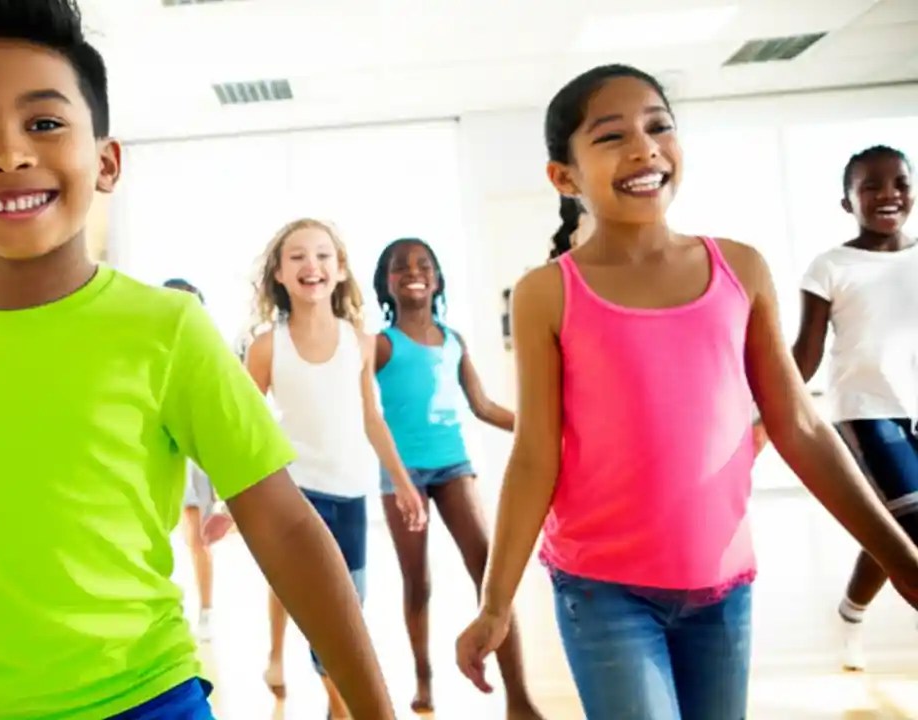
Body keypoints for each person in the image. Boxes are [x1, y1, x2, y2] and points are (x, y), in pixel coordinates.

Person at [0, 1, 396, 718]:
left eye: (44, 123)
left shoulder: (167, 327)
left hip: (143, 697)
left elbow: (284, 526)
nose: (8, 153)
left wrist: (374, 712)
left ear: (105, 161)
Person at [453, 64, 918, 719]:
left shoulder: (741, 268)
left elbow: (801, 427)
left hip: (723, 585)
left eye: (659, 126)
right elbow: (534, 455)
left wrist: (901, 557)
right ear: (565, 176)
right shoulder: (547, 294)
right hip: (602, 587)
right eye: (611, 136)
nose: (644, 147)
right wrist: (495, 602)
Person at [245, 218, 426, 719]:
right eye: (297, 257)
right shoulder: (266, 347)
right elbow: (243, 431)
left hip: (350, 494)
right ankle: (339, 705)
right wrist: (226, 501)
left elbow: (372, 417)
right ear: (279, 274)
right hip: (296, 496)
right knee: (318, 609)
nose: (312, 266)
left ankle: (334, 697)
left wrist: (404, 483)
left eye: (323, 255)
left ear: (340, 269)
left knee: (351, 607)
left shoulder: (359, 342)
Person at [371, 237, 541, 718]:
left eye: (422, 265)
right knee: (416, 580)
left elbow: (483, 407)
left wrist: (544, 425)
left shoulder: (453, 341)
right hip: (402, 473)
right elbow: (366, 411)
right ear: (387, 283)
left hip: (452, 465)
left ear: (437, 278)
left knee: (490, 571)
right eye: (399, 267)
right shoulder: (381, 345)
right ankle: (424, 680)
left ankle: (520, 698)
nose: (412, 272)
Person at [786, 145, 916, 672]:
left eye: (900, 183)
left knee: (896, 531)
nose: (888, 194)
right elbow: (806, 353)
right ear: (847, 202)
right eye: (870, 186)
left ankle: (850, 614)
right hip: (864, 411)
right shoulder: (831, 266)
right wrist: (762, 414)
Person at [161, 277, 236, 640]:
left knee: (198, 537)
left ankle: (206, 610)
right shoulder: (151, 353)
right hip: (165, 456)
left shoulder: (212, 357)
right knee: (178, 535)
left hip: (199, 458)